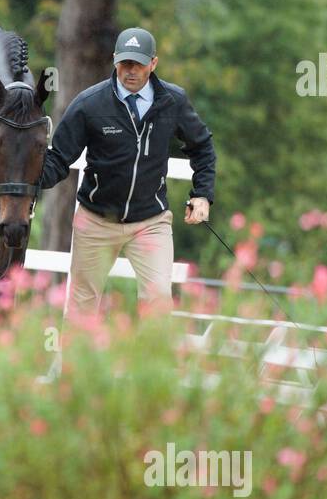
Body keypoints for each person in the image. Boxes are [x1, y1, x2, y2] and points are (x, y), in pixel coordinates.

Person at [40, 28, 216, 319]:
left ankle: (152, 366)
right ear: (114, 61)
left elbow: (202, 146)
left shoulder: (173, 101)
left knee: (158, 301)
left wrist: (202, 195)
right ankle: (75, 366)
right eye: (125, 63)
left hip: (151, 221)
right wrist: (23, 182)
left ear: (154, 63)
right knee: (82, 304)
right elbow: (58, 159)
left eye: (138, 63)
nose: (130, 70)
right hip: (96, 220)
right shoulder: (89, 104)